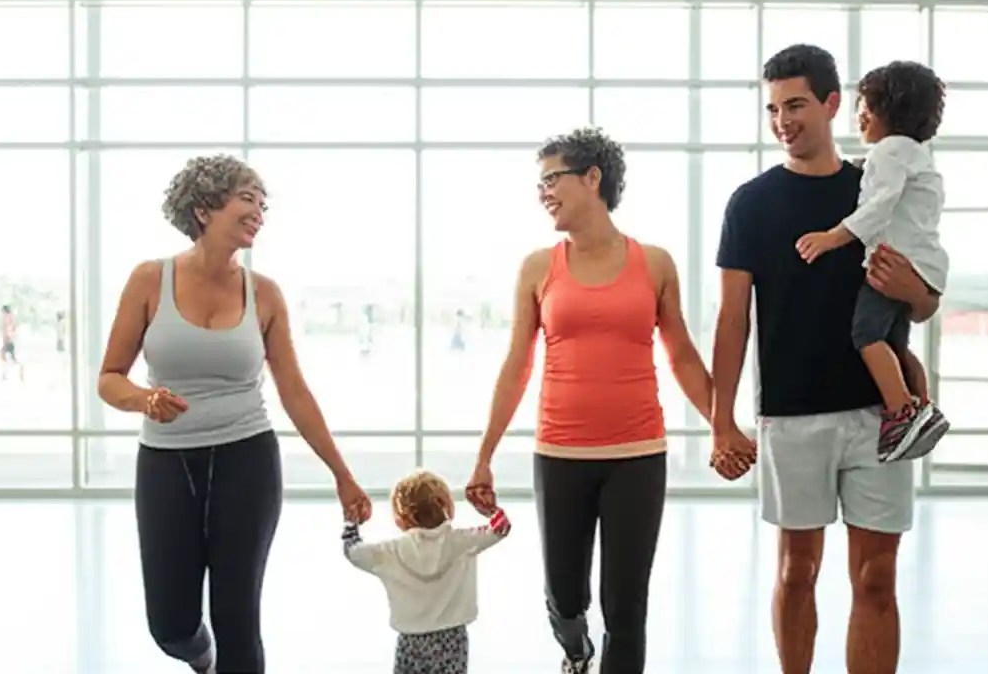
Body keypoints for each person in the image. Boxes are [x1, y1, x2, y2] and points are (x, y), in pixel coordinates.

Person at [711, 44, 942, 674]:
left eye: (796, 105)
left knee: (875, 577)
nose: (783, 120)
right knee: (797, 570)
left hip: (879, 418)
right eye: (773, 108)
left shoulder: (879, 185)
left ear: (833, 104)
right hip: (791, 415)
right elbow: (732, 320)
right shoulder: (750, 204)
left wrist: (915, 292)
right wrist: (720, 421)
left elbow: (920, 304)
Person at [97, 153, 373, 674]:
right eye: (248, 199)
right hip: (166, 465)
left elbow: (294, 390)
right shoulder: (148, 281)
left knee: (238, 619)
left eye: (263, 204)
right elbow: (109, 377)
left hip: (247, 460)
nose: (260, 213)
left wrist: (342, 474)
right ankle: (200, 658)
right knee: (171, 624)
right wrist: (145, 400)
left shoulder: (264, 293)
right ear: (204, 208)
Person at [465, 127, 723, 673]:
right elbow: (517, 364)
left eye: (551, 178)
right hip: (561, 454)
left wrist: (723, 425)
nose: (543, 192)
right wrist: (484, 455)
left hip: (638, 454)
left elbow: (681, 355)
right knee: (564, 594)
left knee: (626, 605)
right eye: (539, 183)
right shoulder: (539, 268)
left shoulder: (653, 263)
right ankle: (576, 650)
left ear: (592, 177)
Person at [795, 60, 951, 463]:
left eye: (865, 105)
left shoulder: (889, 151)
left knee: (866, 335)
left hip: (894, 266)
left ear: (887, 109)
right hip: (924, 266)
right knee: (896, 343)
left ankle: (902, 412)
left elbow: (878, 205)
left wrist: (832, 237)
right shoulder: (913, 154)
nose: (858, 114)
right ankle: (923, 406)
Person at [341, 470, 511, 674]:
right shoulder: (463, 541)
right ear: (447, 506)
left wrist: (351, 525)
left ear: (401, 518)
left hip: (411, 640)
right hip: (452, 639)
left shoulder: (390, 551)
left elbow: (353, 552)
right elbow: (501, 527)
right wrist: (490, 509)